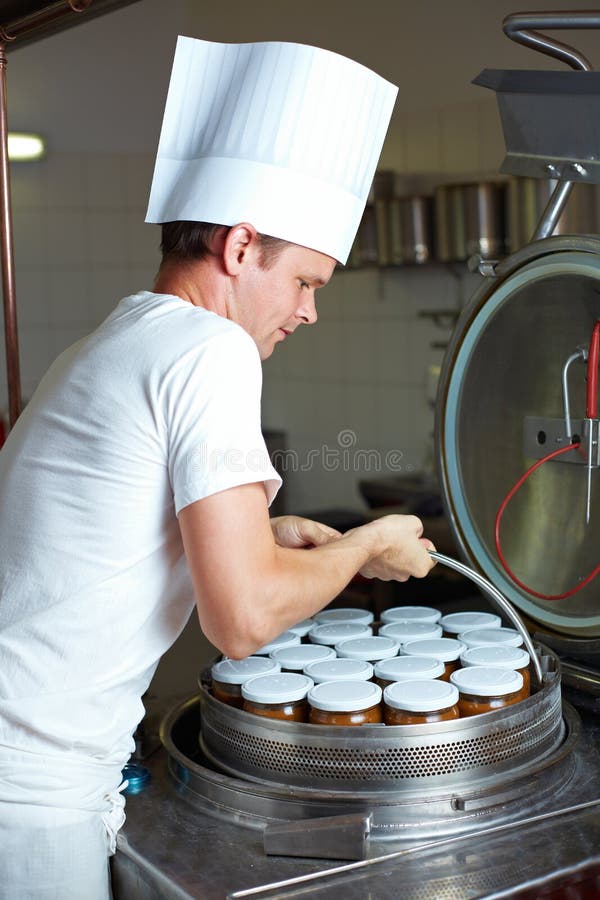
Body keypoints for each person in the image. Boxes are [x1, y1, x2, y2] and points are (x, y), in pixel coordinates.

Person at [0, 37, 435, 899]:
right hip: (29, 789)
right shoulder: (210, 350)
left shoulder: (115, 337)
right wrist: (364, 547)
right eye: (307, 281)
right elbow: (240, 620)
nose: (309, 312)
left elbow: (110, 529)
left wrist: (262, 535)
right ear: (240, 248)